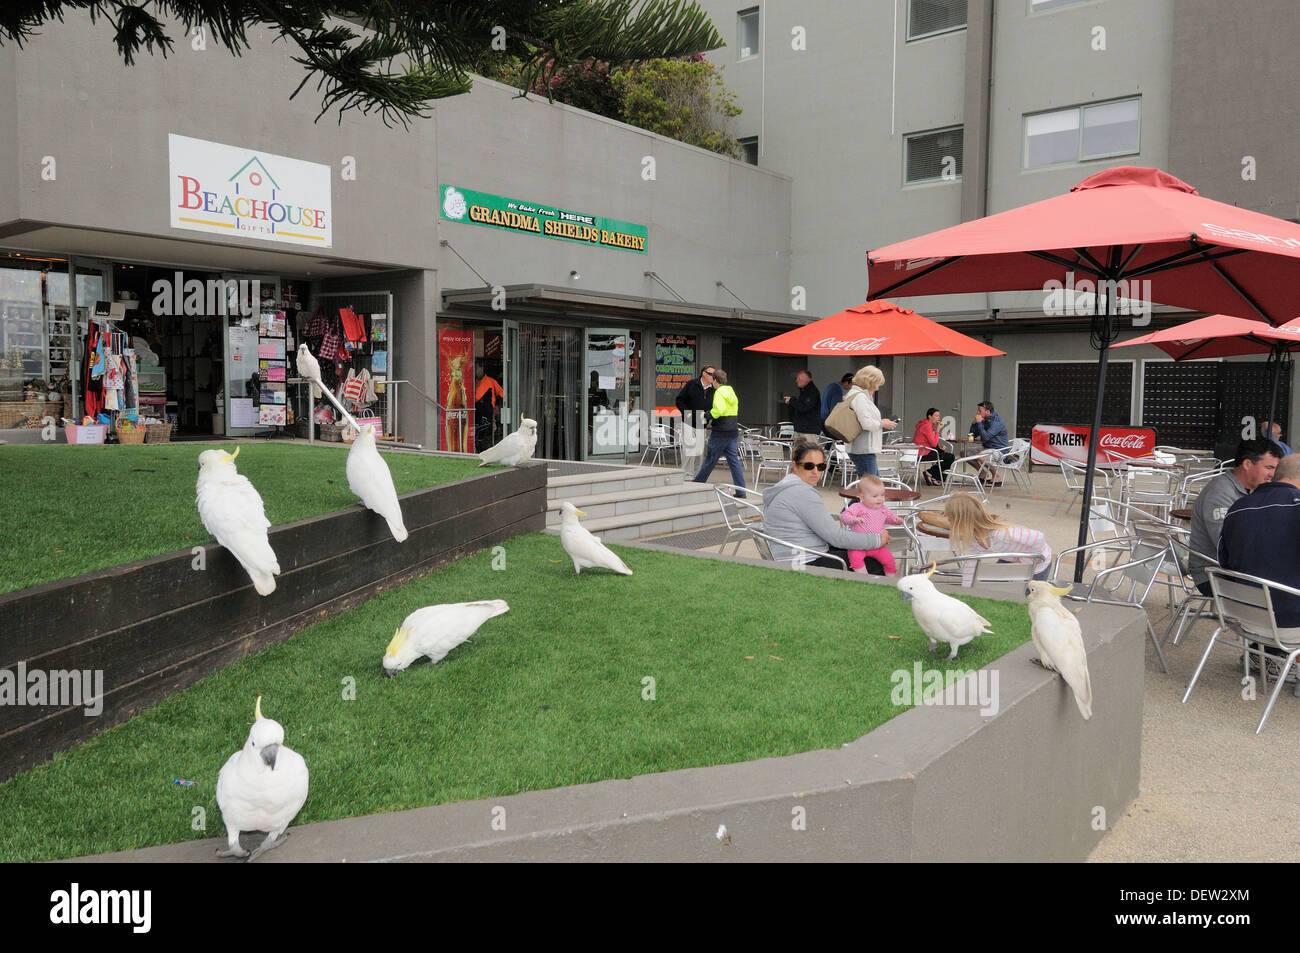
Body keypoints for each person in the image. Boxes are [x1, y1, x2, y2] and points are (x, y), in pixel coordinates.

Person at [1217, 453, 1300, 685]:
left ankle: (1264, 656)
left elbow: (1224, 563)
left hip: (1245, 619)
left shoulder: (1237, 507)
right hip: (1289, 625)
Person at [762, 441, 886, 572]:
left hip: (791, 556)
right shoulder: (802, 492)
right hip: (803, 563)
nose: (816, 472)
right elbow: (837, 537)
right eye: (809, 466)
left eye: (821, 466)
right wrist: (877, 539)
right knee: (875, 560)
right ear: (795, 466)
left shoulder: (786, 486)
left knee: (858, 550)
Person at [1189, 437, 1283, 595]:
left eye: (1275, 469)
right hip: (1215, 576)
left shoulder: (1255, 491)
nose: (1272, 475)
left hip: (1240, 572)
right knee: (1289, 591)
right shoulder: (1220, 493)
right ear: (1247, 464)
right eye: (1268, 467)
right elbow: (1227, 546)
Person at [943, 493, 1053, 587]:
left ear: (962, 520)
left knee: (1028, 598)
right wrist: (966, 592)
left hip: (1038, 564)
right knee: (996, 588)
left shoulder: (1003, 534)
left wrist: (1024, 562)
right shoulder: (974, 539)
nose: (947, 520)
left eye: (950, 518)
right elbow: (971, 566)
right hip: (1011, 558)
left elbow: (1039, 538)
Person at [690, 367, 747, 494]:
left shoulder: (719, 392)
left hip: (720, 431)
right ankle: (741, 491)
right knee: (734, 462)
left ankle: (697, 484)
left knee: (710, 459)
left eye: (712, 380)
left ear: (715, 380)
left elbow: (718, 411)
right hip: (732, 431)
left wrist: (705, 415)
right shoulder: (731, 391)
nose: (711, 383)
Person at [839, 474, 903, 574]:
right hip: (859, 545)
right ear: (862, 497)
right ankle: (864, 578)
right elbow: (844, 516)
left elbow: (890, 517)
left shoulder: (883, 509)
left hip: (878, 546)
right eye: (875, 496)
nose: (880, 499)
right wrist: (853, 519)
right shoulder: (857, 507)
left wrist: (896, 520)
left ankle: (889, 581)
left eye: (882, 495)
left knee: (889, 561)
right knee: (855, 558)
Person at [843, 365, 897, 478]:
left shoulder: (856, 395)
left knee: (868, 485)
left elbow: (862, 419)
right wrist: (883, 423)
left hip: (860, 448)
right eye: (877, 384)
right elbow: (866, 424)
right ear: (869, 383)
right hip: (863, 448)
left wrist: (880, 421)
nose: (877, 388)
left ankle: (856, 496)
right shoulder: (860, 398)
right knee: (871, 487)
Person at [675, 364, 715, 474]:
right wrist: (686, 413)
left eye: (714, 374)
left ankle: (698, 476)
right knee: (689, 450)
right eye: (711, 374)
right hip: (688, 421)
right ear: (704, 373)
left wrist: (709, 416)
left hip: (702, 422)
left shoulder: (713, 389)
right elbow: (679, 400)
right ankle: (686, 475)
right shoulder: (692, 384)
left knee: (699, 452)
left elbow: (715, 407)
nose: (713, 376)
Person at [970, 400, 1010, 485]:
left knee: (981, 457)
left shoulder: (997, 422)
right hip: (987, 448)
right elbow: (973, 435)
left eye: (980, 411)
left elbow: (986, 437)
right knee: (965, 453)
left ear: (987, 412)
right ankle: (983, 474)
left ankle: (996, 476)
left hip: (1000, 450)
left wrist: (980, 423)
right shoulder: (984, 420)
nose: (977, 413)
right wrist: (974, 423)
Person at [913, 407, 954, 487]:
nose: (938, 418)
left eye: (939, 416)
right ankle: (933, 475)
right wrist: (938, 429)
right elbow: (933, 444)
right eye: (936, 416)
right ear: (929, 416)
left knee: (942, 453)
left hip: (923, 451)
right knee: (950, 457)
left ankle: (933, 475)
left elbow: (930, 442)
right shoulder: (927, 426)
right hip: (922, 454)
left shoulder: (926, 424)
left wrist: (939, 448)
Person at [783, 368, 822, 441]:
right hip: (800, 429)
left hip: (809, 430)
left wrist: (792, 400)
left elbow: (804, 407)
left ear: (805, 378)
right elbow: (801, 405)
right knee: (798, 451)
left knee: (809, 451)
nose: (796, 381)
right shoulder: (804, 391)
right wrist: (793, 400)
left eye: (798, 378)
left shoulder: (812, 392)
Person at [474, 361, 504, 451]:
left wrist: (497, 407)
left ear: (481, 368)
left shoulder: (491, 382)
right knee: (477, 438)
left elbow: (502, 394)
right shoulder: (472, 382)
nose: (475, 371)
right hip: (475, 414)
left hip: (488, 415)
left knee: (487, 439)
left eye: (476, 368)